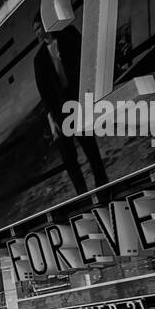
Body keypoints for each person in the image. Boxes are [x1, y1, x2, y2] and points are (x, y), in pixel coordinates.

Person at [32, 14, 108, 196]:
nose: (37, 33)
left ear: (46, 24)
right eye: (35, 30)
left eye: (38, 28)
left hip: (79, 102)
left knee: (91, 149)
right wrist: (55, 119)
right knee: (70, 160)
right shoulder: (39, 59)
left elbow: (87, 58)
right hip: (60, 112)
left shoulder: (69, 34)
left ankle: (104, 189)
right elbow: (44, 93)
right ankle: (82, 196)